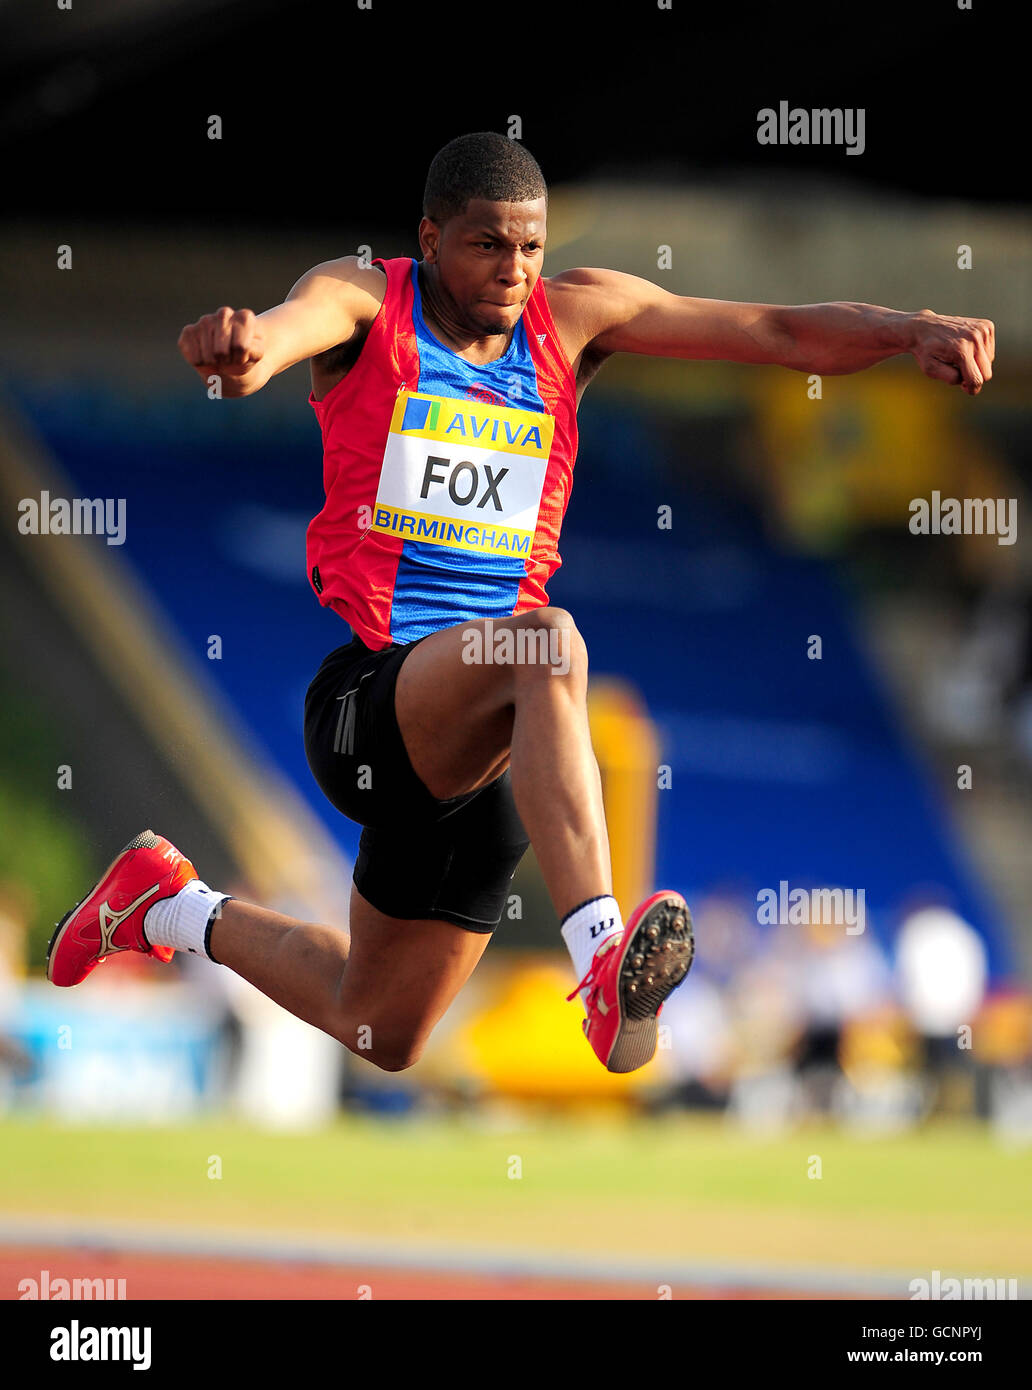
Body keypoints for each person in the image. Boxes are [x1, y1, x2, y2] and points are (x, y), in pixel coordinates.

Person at [46, 132, 995, 1076]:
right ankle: (600, 958)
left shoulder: (575, 320)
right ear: (429, 238)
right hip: (370, 709)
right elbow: (278, 337)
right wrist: (243, 348)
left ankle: (164, 905)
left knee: (380, 1026)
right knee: (548, 642)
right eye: (487, 244)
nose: (514, 270)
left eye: (531, 247)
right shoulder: (367, 300)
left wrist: (910, 329)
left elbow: (782, 334)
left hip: (483, 755)